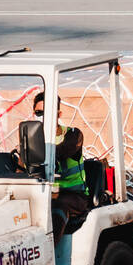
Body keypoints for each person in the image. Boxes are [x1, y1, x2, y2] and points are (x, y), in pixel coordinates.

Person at [32, 92, 93, 240]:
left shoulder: (73, 135)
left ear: (58, 114)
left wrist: (34, 147)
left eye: (48, 112)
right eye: (39, 112)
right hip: (42, 194)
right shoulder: (30, 140)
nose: (43, 116)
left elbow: (60, 152)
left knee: (56, 208)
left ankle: (49, 255)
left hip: (72, 195)